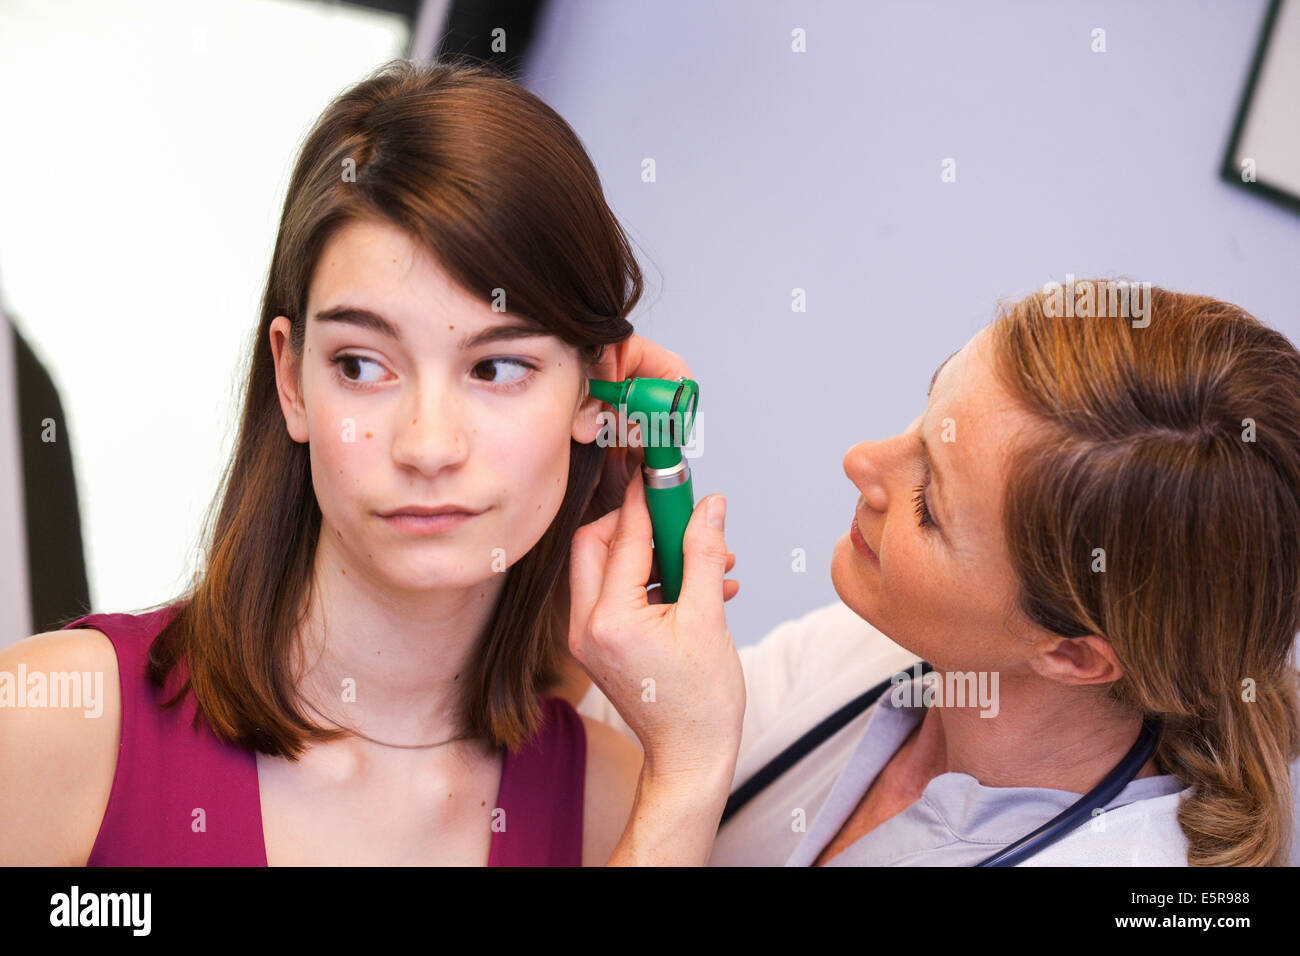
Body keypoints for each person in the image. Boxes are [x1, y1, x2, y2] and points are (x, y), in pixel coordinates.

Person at [0, 57, 735, 866]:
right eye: (361, 365)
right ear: (291, 380)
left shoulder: (629, 804)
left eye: (496, 369)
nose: (426, 446)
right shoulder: (51, 723)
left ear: (599, 395)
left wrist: (692, 773)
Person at [572, 279, 1300, 866]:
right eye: (928, 416)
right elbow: (579, 761)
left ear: (1072, 652)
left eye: (929, 504)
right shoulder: (897, 655)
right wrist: (578, 503)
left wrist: (685, 775)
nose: (861, 460)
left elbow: (671, 772)